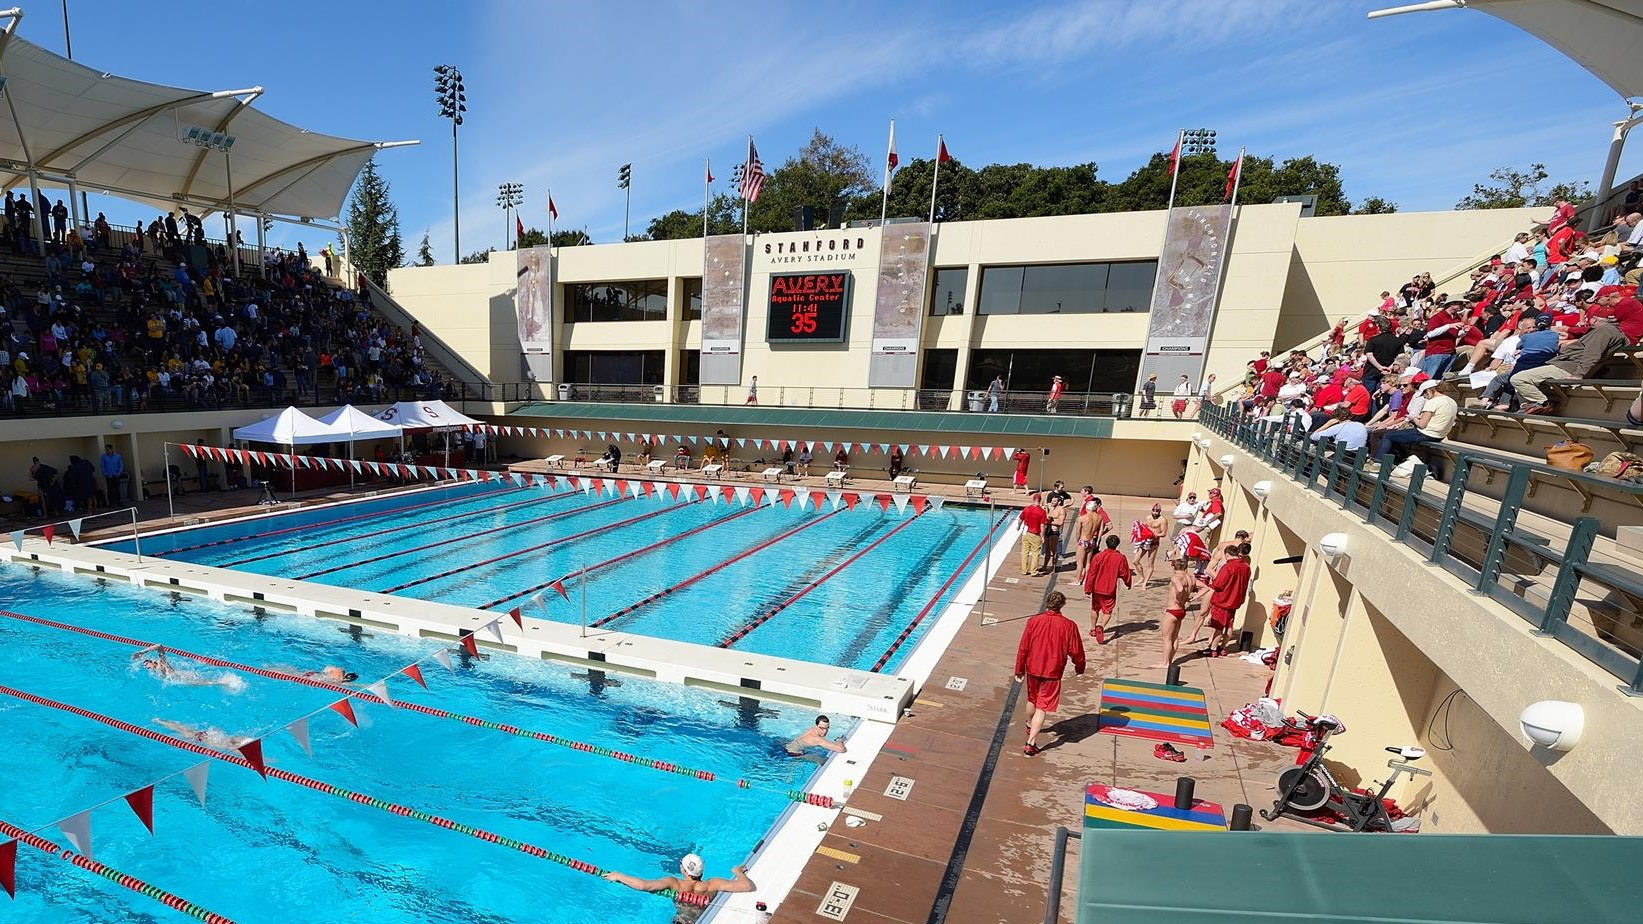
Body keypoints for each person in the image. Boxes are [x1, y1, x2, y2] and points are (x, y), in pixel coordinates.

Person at [1014, 590, 1086, 756]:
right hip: (1052, 671)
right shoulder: (1069, 625)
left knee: (1032, 699)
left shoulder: (1033, 621)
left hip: (1033, 667)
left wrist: (1019, 669)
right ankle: (1030, 743)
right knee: (1042, 706)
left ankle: (1029, 724)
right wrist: (1079, 667)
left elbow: (1023, 647)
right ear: (1062, 605)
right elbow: (1076, 651)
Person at [603, 854, 754, 909]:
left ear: (684, 870)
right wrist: (737, 872)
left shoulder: (675, 883)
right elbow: (747, 886)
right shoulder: (713, 883)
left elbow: (643, 885)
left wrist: (618, 875)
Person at [1196, 542, 1252, 657]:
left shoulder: (1228, 567)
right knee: (1229, 626)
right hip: (1235, 600)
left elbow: (1218, 584)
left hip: (1223, 600)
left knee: (1218, 626)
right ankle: (1223, 648)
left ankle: (1213, 649)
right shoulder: (1246, 567)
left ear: (1227, 555)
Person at [1082, 535, 1133, 644]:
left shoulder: (1098, 556)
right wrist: (1128, 582)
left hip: (1096, 588)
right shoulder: (1120, 558)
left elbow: (1092, 573)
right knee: (1107, 611)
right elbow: (1124, 572)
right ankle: (1101, 626)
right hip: (1109, 589)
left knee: (1094, 608)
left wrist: (1087, 588)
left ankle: (1093, 629)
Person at [134, 647, 246, 691]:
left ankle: (228, 681)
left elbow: (159, 646)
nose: (145, 667)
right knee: (207, 681)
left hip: (183, 677)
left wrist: (142, 652)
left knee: (209, 683)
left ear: (152, 662)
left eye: (146, 664)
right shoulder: (156, 671)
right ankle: (224, 681)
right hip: (182, 677)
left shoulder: (160, 664)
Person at [1156, 557, 1196, 669]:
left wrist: (1179, 597)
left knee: (1166, 638)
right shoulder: (1191, 578)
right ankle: (1170, 660)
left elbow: (1179, 589)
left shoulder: (1175, 578)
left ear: (1174, 567)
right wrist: (1188, 598)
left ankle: (1165, 663)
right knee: (1175, 637)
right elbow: (1205, 588)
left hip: (1173, 610)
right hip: (1182, 610)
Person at [153, 719, 253, 752]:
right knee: (184, 731)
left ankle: (160, 721)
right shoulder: (189, 734)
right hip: (207, 737)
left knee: (184, 731)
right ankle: (160, 721)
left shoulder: (189, 735)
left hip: (207, 736)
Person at [1131, 503, 1167, 586]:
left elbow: (1164, 533)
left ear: (1160, 511)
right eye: (1153, 511)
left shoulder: (1163, 520)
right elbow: (1145, 527)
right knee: (1135, 561)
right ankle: (1142, 577)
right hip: (1145, 541)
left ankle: (1145, 583)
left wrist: (1154, 535)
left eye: (1157, 511)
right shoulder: (1148, 517)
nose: (1155, 513)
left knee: (1150, 563)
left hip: (1154, 543)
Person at [1018, 493, 1047, 576]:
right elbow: (1042, 525)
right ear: (1040, 500)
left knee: (1024, 552)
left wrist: (1018, 527)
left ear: (1033, 499)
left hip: (1026, 533)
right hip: (1035, 534)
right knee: (1035, 553)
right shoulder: (1042, 512)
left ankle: (1024, 570)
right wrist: (1042, 536)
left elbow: (1020, 520)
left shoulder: (1027, 509)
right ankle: (1033, 571)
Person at [266, 664, 359, 684]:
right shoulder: (338, 681)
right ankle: (269, 670)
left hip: (314, 673)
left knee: (293, 673)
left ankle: (268, 669)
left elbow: (327, 667)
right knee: (292, 676)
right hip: (314, 678)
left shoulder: (339, 669)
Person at [101, 443, 125, 508]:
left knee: (117, 490)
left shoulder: (117, 456)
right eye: (106, 449)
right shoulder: (104, 457)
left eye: (108, 449)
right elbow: (103, 466)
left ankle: (118, 503)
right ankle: (111, 504)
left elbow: (120, 465)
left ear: (111, 449)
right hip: (109, 476)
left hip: (116, 475)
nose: (107, 451)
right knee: (110, 490)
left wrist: (119, 473)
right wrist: (105, 474)